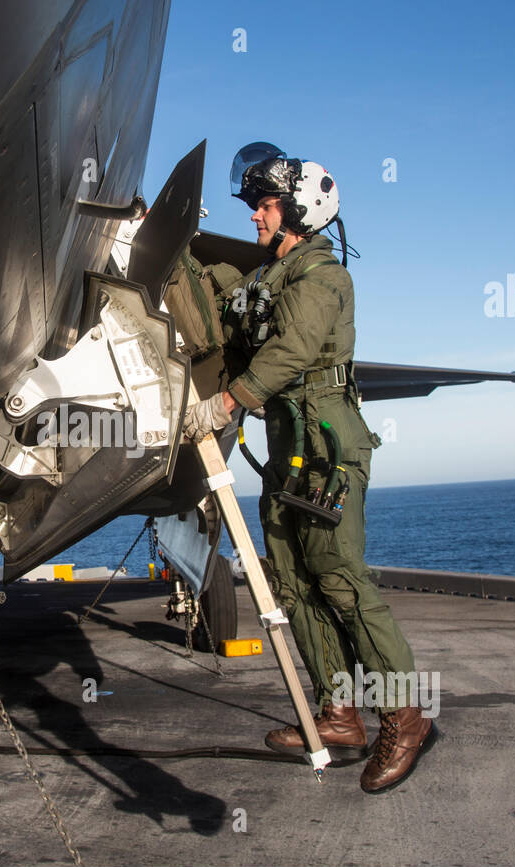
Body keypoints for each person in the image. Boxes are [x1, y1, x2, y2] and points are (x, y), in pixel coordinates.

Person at [183, 143, 436, 793]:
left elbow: (293, 348)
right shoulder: (268, 281)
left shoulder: (323, 277)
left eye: (263, 207)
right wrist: (180, 253)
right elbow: (231, 309)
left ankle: (405, 718)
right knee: (293, 583)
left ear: (295, 209)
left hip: (327, 451)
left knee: (342, 584)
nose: (255, 219)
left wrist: (228, 402)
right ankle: (338, 713)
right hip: (288, 453)